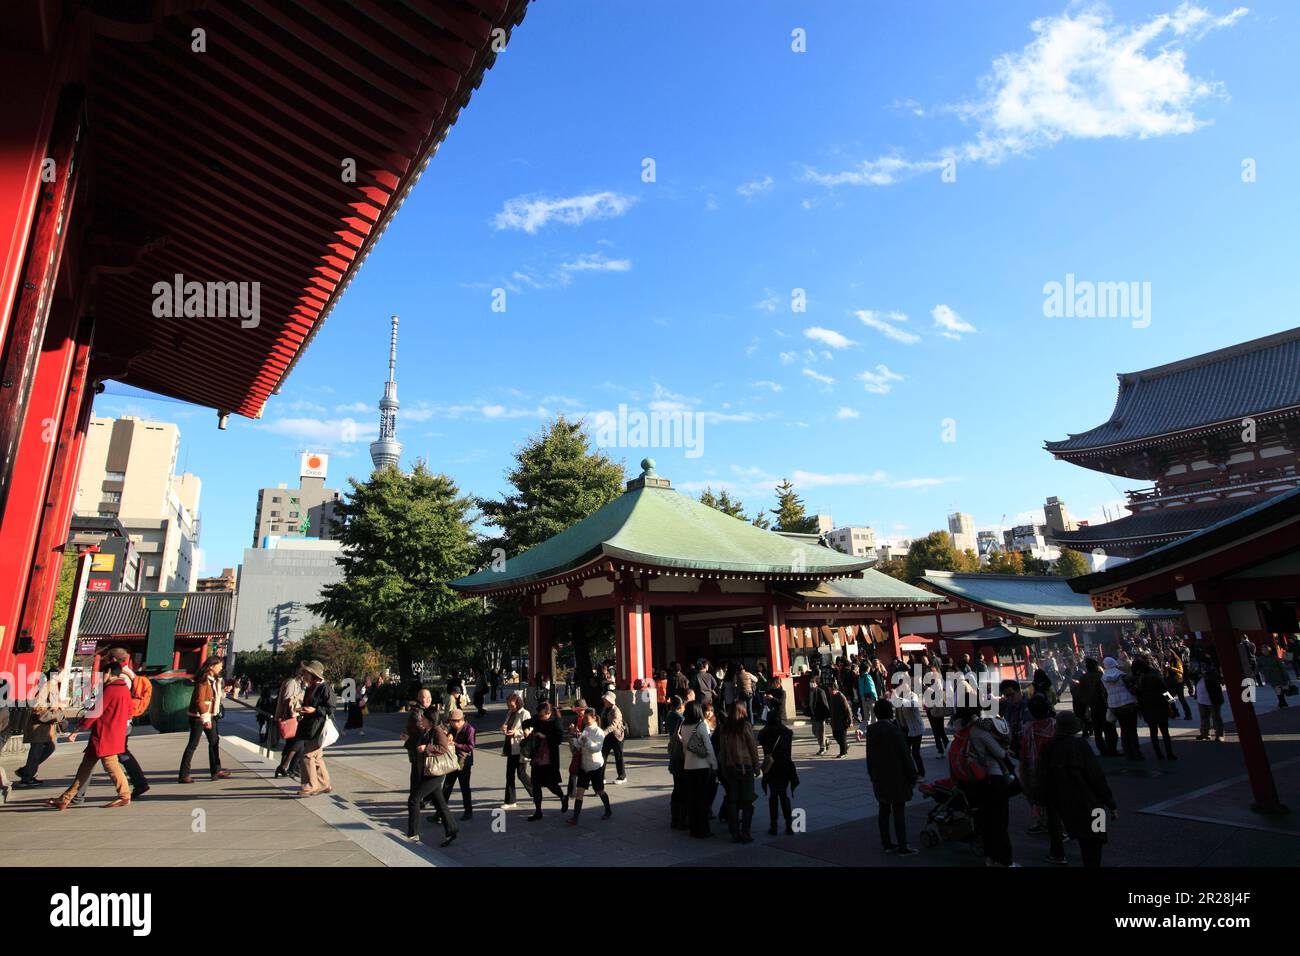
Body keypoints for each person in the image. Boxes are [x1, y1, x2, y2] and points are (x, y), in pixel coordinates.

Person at [47, 654, 133, 810]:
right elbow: (129, 713)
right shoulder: (124, 689)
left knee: (110, 764)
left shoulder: (111, 689)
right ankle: (65, 798)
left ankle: (124, 795)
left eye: (103, 674)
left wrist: (78, 729)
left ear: (108, 673)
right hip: (114, 733)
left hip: (105, 735)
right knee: (86, 766)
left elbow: (95, 711)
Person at [1042, 712, 1117, 867]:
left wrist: (1041, 800)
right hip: (1092, 803)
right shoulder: (1080, 745)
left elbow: (1043, 776)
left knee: (1083, 840)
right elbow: (1096, 777)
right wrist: (1111, 803)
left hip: (1067, 803)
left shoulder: (1049, 746)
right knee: (1097, 839)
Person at [866, 699, 919, 856]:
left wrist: (872, 774)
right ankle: (903, 845)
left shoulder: (871, 730)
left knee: (883, 810)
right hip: (896, 776)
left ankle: (886, 843)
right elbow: (905, 755)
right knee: (898, 811)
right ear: (890, 712)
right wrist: (912, 776)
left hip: (879, 776)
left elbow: (869, 756)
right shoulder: (894, 731)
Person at [406, 712, 458, 847]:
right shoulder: (426, 731)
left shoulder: (438, 731)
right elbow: (416, 745)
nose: (421, 719)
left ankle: (413, 833)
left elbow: (443, 747)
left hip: (436, 773)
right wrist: (407, 739)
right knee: (440, 803)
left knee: (414, 799)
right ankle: (452, 830)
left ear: (430, 720)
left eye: (423, 718)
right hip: (428, 772)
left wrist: (427, 748)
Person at [178, 657, 232, 784]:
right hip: (199, 717)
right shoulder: (203, 680)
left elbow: (212, 696)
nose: (221, 668)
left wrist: (223, 692)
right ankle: (183, 774)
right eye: (219, 665)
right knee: (193, 744)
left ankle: (216, 770)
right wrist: (205, 718)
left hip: (210, 715)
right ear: (211, 666)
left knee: (214, 742)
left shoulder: (214, 679)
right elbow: (200, 701)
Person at [15, 670, 66, 788]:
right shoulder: (46, 687)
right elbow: (37, 706)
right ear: (55, 675)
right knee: (36, 752)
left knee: (49, 748)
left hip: (44, 728)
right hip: (38, 727)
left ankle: (26, 771)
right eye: (62, 674)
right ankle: (26, 778)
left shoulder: (53, 687)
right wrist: (56, 709)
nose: (64, 676)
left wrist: (57, 707)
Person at [717, 702, 760, 843]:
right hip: (745, 766)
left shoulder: (724, 728)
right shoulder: (745, 726)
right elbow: (753, 747)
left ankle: (735, 832)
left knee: (733, 800)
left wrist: (723, 767)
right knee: (747, 801)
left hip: (730, 767)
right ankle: (746, 832)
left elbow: (722, 750)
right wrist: (756, 765)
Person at [1019, 694, 1058, 846]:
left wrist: (1024, 770)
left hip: (1034, 768)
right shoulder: (1056, 725)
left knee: (1036, 797)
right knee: (1054, 798)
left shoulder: (1028, 728)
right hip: (1054, 767)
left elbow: (1024, 752)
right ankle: (1057, 826)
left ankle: (1043, 822)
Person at [295, 660, 335, 796]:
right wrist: (304, 710)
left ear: (313, 674)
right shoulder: (310, 687)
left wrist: (315, 710)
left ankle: (310, 786)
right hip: (310, 726)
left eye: (307, 672)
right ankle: (324, 784)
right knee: (316, 757)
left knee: (307, 756)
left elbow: (330, 708)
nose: (304, 675)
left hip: (319, 727)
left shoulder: (324, 688)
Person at [522, 701, 568, 820]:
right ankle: (538, 811)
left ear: (548, 713)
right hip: (537, 757)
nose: (540, 717)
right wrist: (526, 730)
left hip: (549, 758)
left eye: (542, 715)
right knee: (536, 785)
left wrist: (545, 737)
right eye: (539, 715)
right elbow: (525, 723)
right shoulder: (537, 718)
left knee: (551, 785)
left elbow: (559, 739)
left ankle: (563, 797)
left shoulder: (556, 721)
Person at [757, 705, 798, 835]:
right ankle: (788, 824)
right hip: (785, 766)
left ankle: (773, 825)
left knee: (773, 796)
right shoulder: (787, 732)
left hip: (771, 767)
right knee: (784, 795)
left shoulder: (764, 733)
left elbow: (760, 743)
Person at [568, 708, 612, 825]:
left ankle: (608, 810)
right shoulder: (586, 729)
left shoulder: (599, 732)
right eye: (584, 719)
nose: (585, 721)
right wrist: (573, 737)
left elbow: (596, 748)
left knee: (600, 790)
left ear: (594, 718)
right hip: (584, 765)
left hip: (595, 766)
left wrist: (586, 741)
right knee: (580, 791)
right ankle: (575, 818)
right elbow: (579, 744)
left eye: (587, 718)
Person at [681, 701, 717, 838]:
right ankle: (703, 828)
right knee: (702, 799)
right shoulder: (701, 726)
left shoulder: (684, 726)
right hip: (702, 767)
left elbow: (685, 748)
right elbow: (709, 747)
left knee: (692, 798)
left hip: (688, 766)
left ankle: (693, 828)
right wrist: (714, 764)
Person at [1134, 656, 1176, 760]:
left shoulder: (1139, 678)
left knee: (1153, 732)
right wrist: (1172, 703)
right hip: (1160, 704)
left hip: (1147, 707)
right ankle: (1169, 753)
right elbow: (1164, 689)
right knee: (1165, 731)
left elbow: (1137, 693)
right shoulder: (1154, 674)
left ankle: (1158, 754)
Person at [1101, 657, 1141, 760]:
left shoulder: (1103, 678)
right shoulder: (1122, 676)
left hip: (1114, 705)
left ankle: (1128, 752)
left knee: (1123, 729)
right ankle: (1136, 752)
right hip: (1128, 703)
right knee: (1132, 729)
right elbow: (1132, 688)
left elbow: (1104, 693)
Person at [273, 664, 308, 778]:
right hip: (291, 717)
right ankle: (285, 767)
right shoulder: (291, 682)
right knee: (299, 742)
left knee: (294, 744)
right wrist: (293, 712)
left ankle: (288, 768)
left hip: (295, 716)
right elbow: (287, 700)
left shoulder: (298, 684)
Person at [442, 708, 476, 820]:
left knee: (465, 788)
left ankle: (468, 812)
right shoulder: (453, 728)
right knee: (446, 787)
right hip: (452, 761)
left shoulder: (469, 729)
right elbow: (448, 732)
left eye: (452, 722)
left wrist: (455, 744)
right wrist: (448, 735)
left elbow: (470, 746)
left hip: (464, 763)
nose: (451, 724)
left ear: (460, 721)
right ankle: (440, 813)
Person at [402, 688, 437, 794]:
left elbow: (438, 724)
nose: (427, 700)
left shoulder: (428, 710)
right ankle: (416, 798)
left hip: (423, 748)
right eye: (424, 697)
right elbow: (422, 729)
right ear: (419, 698)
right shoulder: (416, 712)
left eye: (429, 697)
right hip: (417, 749)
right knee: (417, 775)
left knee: (424, 775)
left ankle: (419, 797)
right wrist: (437, 732)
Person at [891, 675, 926, 776]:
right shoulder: (899, 697)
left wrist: (898, 698)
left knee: (915, 753)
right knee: (906, 752)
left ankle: (921, 774)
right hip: (904, 729)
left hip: (915, 729)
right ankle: (912, 773)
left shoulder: (913, 696)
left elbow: (912, 705)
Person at [501, 692, 531, 808]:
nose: (510, 707)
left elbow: (529, 730)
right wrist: (504, 728)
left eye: (512, 705)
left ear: (518, 703)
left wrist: (516, 733)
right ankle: (510, 801)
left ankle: (535, 791)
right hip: (510, 746)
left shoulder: (524, 713)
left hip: (520, 747)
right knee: (509, 774)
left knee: (521, 774)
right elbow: (506, 725)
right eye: (508, 705)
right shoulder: (510, 713)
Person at [665, 696, 688, 830]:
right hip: (681, 753)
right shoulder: (681, 719)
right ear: (680, 706)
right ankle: (681, 819)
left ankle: (675, 819)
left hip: (673, 751)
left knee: (676, 789)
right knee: (682, 789)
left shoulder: (669, 716)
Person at [599, 691, 628, 784]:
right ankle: (601, 777)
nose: (604, 701)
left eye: (606, 700)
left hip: (617, 736)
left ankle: (622, 776)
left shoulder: (616, 710)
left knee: (618, 757)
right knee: (603, 756)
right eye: (604, 699)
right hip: (607, 736)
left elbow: (614, 724)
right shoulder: (604, 709)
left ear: (610, 701)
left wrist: (604, 732)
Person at [923, 663, 950, 757]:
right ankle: (945, 749)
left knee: (938, 730)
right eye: (927, 671)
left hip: (936, 707)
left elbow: (939, 693)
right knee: (938, 730)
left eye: (930, 671)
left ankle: (943, 750)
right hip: (930, 707)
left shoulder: (938, 680)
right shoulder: (930, 681)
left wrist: (927, 689)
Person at [1194, 659, 1225, 741]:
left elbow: (1220, 680)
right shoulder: (1199, 674)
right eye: (1201, 665)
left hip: (1213, 699)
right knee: (1204, 717)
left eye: (1204, 665)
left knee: (1216, 718)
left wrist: (1205, 676)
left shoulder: (1213, 673)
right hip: (1201, 699)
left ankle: (1220, 734)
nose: (1202, 667)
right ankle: (1205, 733)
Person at [1164, 651, 1193, 720]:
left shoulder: (1176, 661)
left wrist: (1172, 668)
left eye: (1168, 652)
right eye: (1165, 652)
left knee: (1181, 699)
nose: (1166, 654)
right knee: (1169, 697)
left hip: (1178, 682)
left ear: (1171, 653)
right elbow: (1166, 672)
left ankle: (1188, 714)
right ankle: (1175, 712)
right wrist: (1165, 670)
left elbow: (1181, 671)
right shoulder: (1166, 662)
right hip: (1169, 682)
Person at [828, 683, 854, 758]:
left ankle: (843, 753)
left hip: (842, 721)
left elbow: (847, 709)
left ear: (835, 689)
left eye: (831, 689)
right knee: (835, 735)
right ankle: (845, 746)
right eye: (829, 690)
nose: (830, 691)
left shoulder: (841, 696)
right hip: (834, 721)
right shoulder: (832, 696)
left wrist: (850, 721)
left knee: (842, 737)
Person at [807, 676, 831, 755]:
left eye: (813, 682)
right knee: (814, 731)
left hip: (820, 715)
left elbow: (825, 704)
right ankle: (826, 740)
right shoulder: (810, 691)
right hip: (813, 715)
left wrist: (827, 716)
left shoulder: (820, 691)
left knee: (820, 732)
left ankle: (822, 748)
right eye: (810, 682)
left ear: (816, 683)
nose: (811, 684)